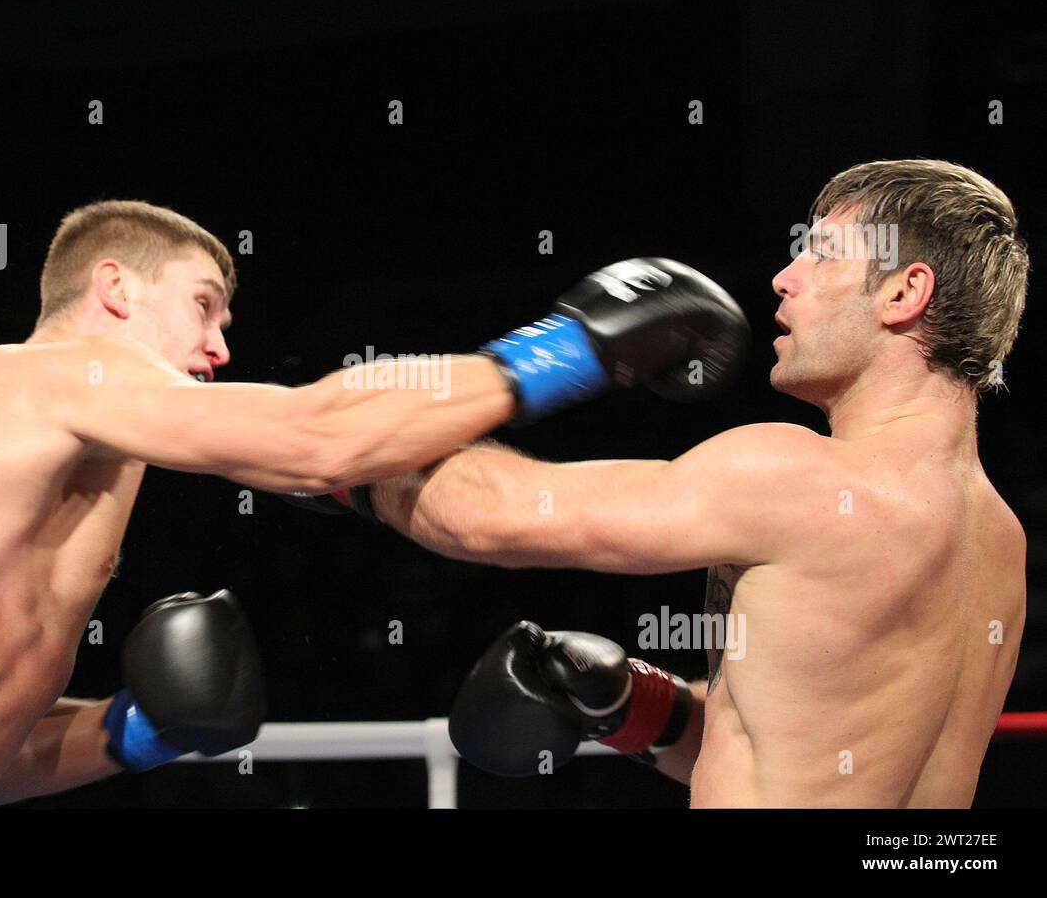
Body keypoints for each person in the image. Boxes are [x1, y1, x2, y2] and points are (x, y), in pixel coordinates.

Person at [0, 199, 745, 807]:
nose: (221, 344)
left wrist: (134, 729)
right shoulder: (32, 378)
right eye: (204, 303)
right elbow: (316, 429)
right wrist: (570, 348)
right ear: (114, 289)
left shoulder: (76, 450)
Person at [323, 160, 1030, 807]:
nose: (786, 278)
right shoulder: (1000, 540)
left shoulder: (796, 474)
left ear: (905, 292)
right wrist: (627, 703)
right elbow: (804, 752)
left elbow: (490, 515)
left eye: (821, 252)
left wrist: (340, 451)